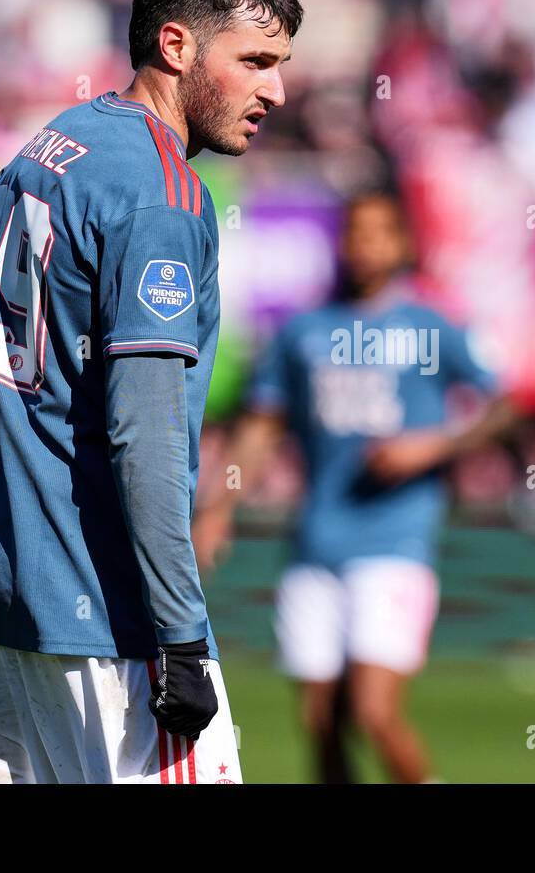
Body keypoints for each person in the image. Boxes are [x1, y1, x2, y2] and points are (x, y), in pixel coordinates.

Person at [0, 0, 302, 784]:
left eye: (280, 65)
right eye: (254, 62)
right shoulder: (160, 193)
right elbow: (144, 431)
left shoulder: (45, 150)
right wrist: (178, 632)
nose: (275, 90)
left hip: (4, 604)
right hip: (110, 614)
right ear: (176, 46)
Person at [193, 193, 516, 783]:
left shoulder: (431, 325)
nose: (365, 245)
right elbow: (262, 427)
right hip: (316, 544)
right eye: (356, 232)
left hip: (394, 545)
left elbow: (505, 404)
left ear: (403, 244)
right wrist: (218, 507)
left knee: (373, 711)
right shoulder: (304, 332)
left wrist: (433, 445)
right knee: (321, 721)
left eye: (380, 233)